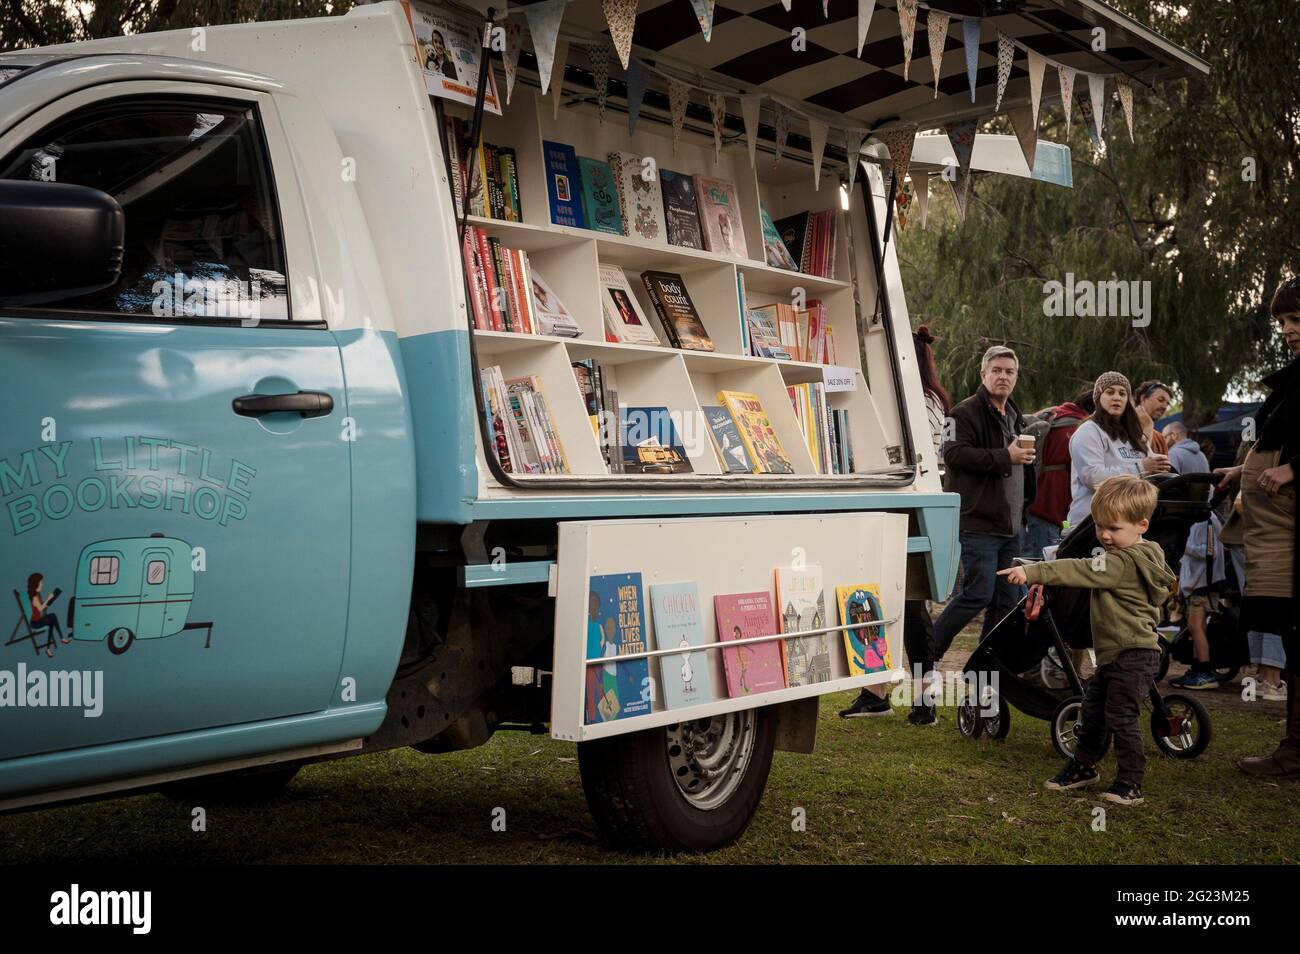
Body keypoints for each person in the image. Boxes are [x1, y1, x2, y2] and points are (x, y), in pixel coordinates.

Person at [1001, 475, 1176, 806]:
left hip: (1133, 654)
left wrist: (1033, 571)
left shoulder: (1122, 562)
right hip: (1118, 654)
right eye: (1099, 527)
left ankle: (1130, 782)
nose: (1105, 536)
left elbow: (1079, 569)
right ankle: (1083, 767)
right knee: (1092, 712)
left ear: (1141, 524)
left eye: (1113, 528)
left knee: (1121, 717)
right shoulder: (1146, 553)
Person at [841, 325, 951, 721]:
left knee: (908, 603)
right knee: (888, 599)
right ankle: (881, 692)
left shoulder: (917, 402)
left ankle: (918, 697)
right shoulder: (926, 399)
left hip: (909, 506)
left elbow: (905, 457)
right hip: (904, 505)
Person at [1216, 277, 1300, 778]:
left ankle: (1295, 752)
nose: (1288, 331)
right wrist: (1241, 470)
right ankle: (1293, 746)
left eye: (1295, 320)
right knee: (1292, 634)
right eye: (1283, 322)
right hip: (1276, 533)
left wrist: (1293, 469)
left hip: (1290, 534)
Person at [930, 346, 1036, 670]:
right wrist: (1006, 457)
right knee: (978, 594)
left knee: (1005, 601)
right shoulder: (962, 413)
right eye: (997, 370)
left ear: (1016, 378)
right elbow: (952, 455)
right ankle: (928, 652)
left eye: (1009, 371)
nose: (1003, 376)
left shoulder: (1016, 416)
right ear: (983, 374)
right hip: (978, 522)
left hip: (1012, 525)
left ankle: (984, 667)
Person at [1066, 372, 1170, 529]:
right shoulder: (1089, 431)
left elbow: (1149, 470)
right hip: (1092, 525)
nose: (1117, 397)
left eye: (1122, 393)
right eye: (1110, 392)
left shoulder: (1135, 435)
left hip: (1129, 524)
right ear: (1098, 397)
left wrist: (1160, 470)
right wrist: (1141, 468)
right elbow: (1093, 479)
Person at [1023, 389, 1094, 556]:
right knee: (1043, 568)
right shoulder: (1078, 427)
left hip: (1035, 503)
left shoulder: (1056, 414)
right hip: (1052, 509)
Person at [1169, 510, 1227, 690]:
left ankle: (1204, 672)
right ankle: (1197, 669)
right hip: (1198, 582)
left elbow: (1209, 552)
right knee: (1198, 627)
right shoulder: (1201, 519)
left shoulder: (1206, 519)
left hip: (1203, 582)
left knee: (1195, 626)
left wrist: (1182, 544)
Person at [25, 573, 67, 659]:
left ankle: (48, 648)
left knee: (52, 620)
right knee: (53, 616)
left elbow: (42, 609)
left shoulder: (38, 595)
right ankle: (61, 639)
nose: (42, 584)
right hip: (35, 623)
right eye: (41, 582)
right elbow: (40, 609)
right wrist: (48, 598)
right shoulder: (34, 597)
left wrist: (49, 601)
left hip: (40, 618)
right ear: (36, 583)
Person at [1134, 380, 1173, 457]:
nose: (1165, 407)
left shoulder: (1160, 439)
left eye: (1167, 404)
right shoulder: (1122, 429)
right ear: (1143, 398)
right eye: (1160, 400)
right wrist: (1148, 427)